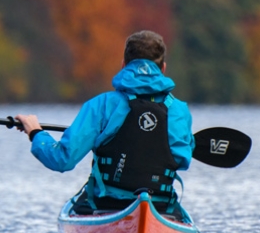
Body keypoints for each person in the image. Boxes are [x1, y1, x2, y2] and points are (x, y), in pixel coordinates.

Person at [15, 30, 195, 217]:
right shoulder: (180, 111)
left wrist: (36, 132)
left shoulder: (101, 105)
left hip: (104, 206)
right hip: (160, 209)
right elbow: (183, 159)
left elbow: (62, 160)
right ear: (163, 69)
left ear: (123, 65)